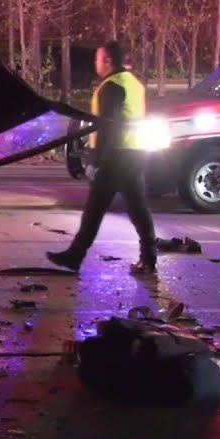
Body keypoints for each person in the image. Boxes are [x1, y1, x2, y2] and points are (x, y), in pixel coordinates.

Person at [47, 41, 157, 276]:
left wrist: (96, 162)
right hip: (135, 152)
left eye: (98, 58)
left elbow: (108, 127)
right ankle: (149, 257)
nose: (95, 63)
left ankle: (74, 256)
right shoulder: (133, 83)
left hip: (116, 155)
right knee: (138, 208)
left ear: (108, 61)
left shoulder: (112, 86)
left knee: (94, 210)